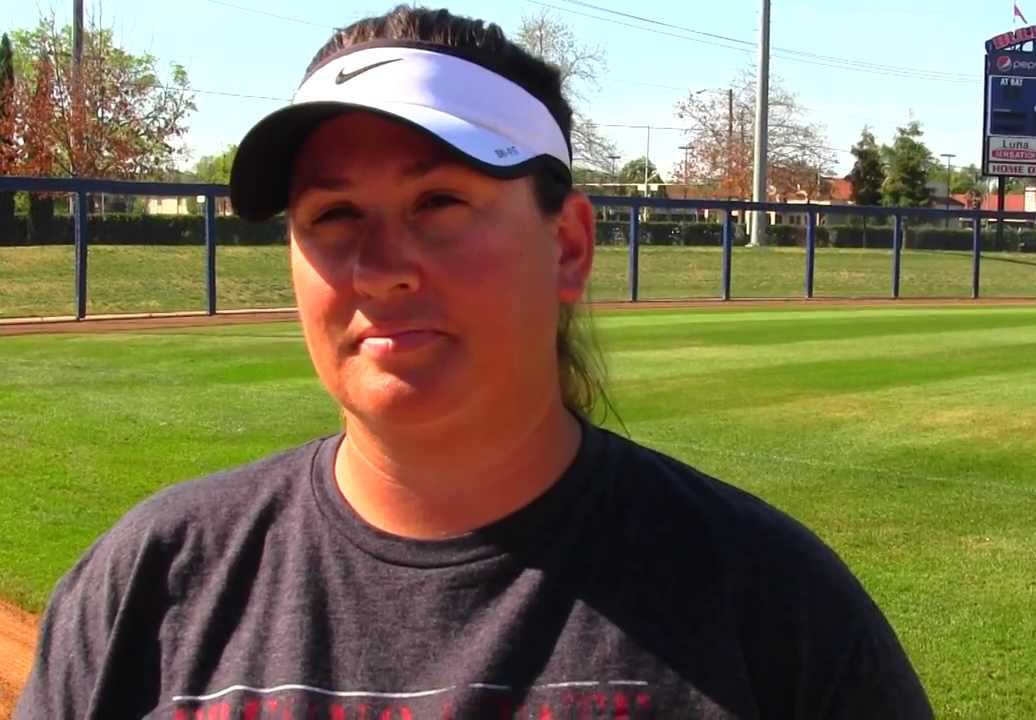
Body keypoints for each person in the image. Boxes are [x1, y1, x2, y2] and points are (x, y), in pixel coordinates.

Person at [17, 5, 933, 718]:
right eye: (333, 217)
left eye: (440, 201)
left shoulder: (770, 604)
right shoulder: (150, 583)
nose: (380, 269)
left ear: (568, 245)